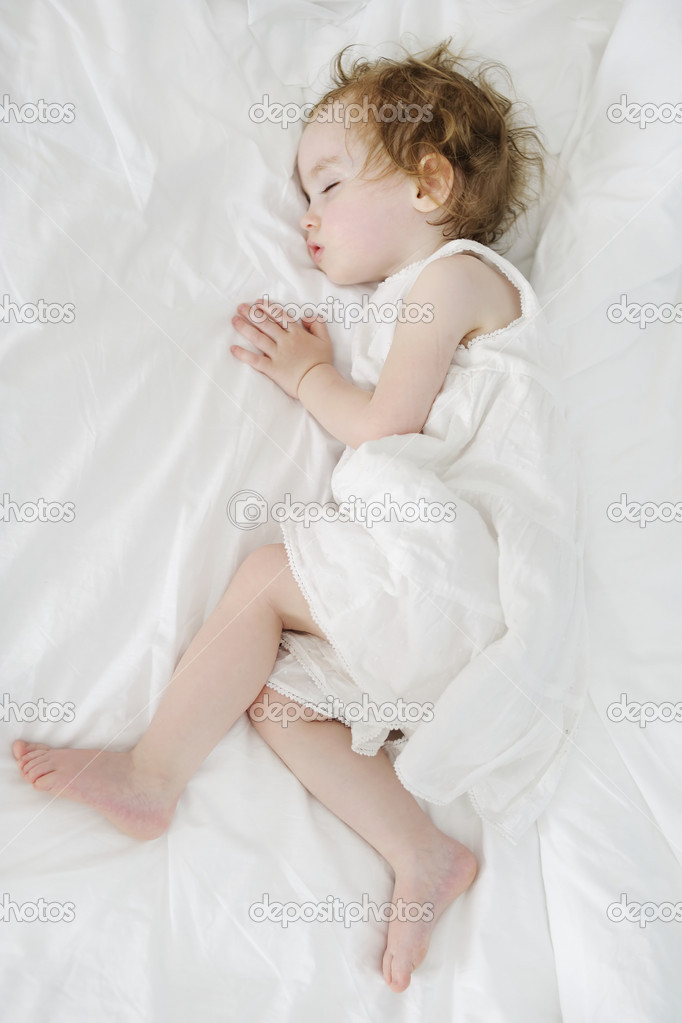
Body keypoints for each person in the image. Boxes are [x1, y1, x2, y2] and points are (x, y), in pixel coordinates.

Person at [13, 40, 585, 994]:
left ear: (429, 182)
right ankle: (422, 855)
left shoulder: (454, 280)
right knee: (278, 696)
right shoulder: (417, 299)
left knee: (265, 580)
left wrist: (307, 375)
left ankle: (154, 774)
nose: (306, 217)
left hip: (467, 580)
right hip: (441, 616)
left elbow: (386, 424)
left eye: (324, 185)